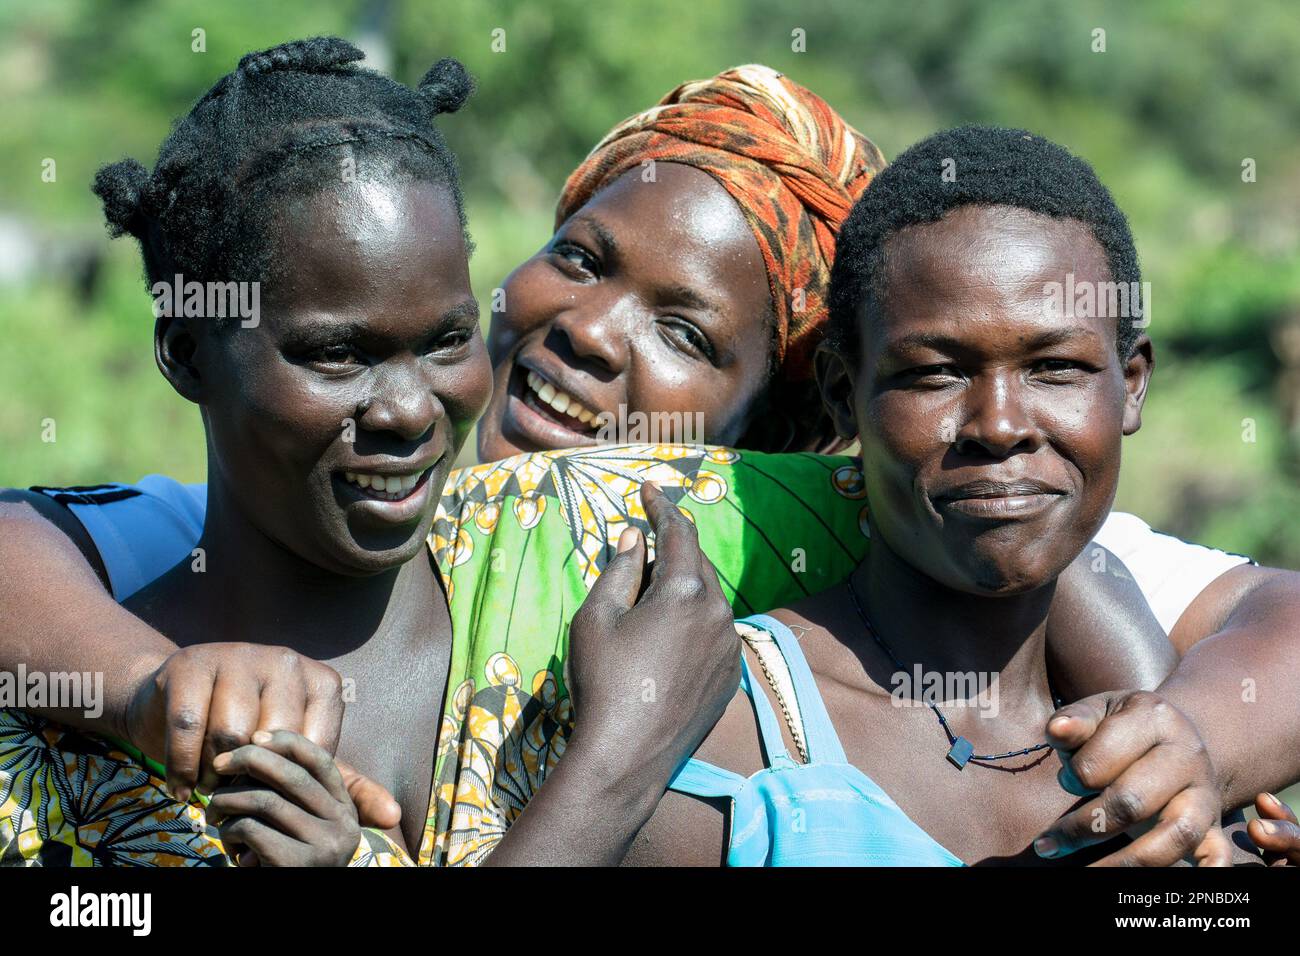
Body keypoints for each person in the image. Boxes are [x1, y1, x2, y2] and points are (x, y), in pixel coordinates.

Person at [3, 65, 1297, 862]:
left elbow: (1055, 551)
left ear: (800, 406)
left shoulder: (681, 526)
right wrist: (142, 689)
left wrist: (1189, 778)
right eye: (579, 256)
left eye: (686, 332)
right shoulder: (151, 605)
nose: (584, 331)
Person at [0, 38, 742, 867]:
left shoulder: (579, 550)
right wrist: (621, 760)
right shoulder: (63, 757)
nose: (407, 409)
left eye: (448, 340)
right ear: (185, 353)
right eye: (336, 354)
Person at [616, 126, 1300, 865]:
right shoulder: (735, 739)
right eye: (935, 373)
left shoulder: (1167, 767)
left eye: (1056, 368)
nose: (1000, 427)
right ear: (846, 397)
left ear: (1130, 386)